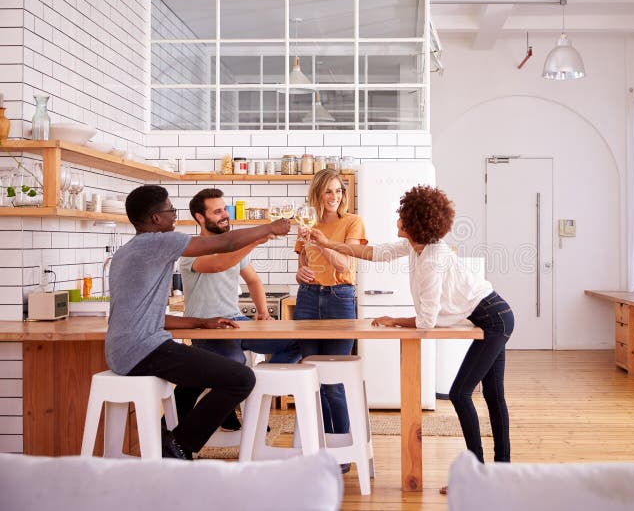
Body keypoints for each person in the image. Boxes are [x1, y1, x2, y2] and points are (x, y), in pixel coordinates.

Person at [304, 185, 514, 492]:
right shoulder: (416, 247)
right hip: (491, 314)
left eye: (402, 214)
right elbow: (373, 253)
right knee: (493, 396)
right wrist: (329, 243)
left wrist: (394, 321)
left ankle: (476, 476)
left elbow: (427, 323)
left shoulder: (431, 259)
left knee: (462, 394)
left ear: (415, 221)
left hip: (495, 318)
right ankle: (493, 474)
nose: (398, 217)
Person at [106, 185, 290, 460]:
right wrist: (268, 228)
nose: (174, 217)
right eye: (171, 211)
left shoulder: (126, 252)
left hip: (124, 350)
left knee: (197, 376)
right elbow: (225, 243)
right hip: (143, 350)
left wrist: (201, 322)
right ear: (155, 219)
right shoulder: (159, 242)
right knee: (241, 378)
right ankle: (178, 444)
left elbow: (143, 315)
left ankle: (165, 435)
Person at [174, 188, 301, 431]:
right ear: (200, 217)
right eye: (218, 211)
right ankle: (229, 405)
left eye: (225, 210)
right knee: (235, 362)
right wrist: (253, 240)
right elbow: (219, 265)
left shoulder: (234, 249)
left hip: (237, 321)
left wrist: (263, 311)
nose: (225, 215)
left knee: (294, 342)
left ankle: (257, 391)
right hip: (206, 326)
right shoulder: (191, 250)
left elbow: (253, 281)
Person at [293, 169, 367, 470]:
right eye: (328, 191)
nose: (334, 197)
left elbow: (345, 262)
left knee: (334, 381)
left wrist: (323, 242)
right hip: (308, 298)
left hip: (339, 299)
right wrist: (299, 272)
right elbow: (303, 260)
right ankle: (320, 446)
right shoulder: (306, 223)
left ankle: (342, 450)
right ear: (317, 194)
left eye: (338, 191)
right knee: (312, 378)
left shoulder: (352, 222)